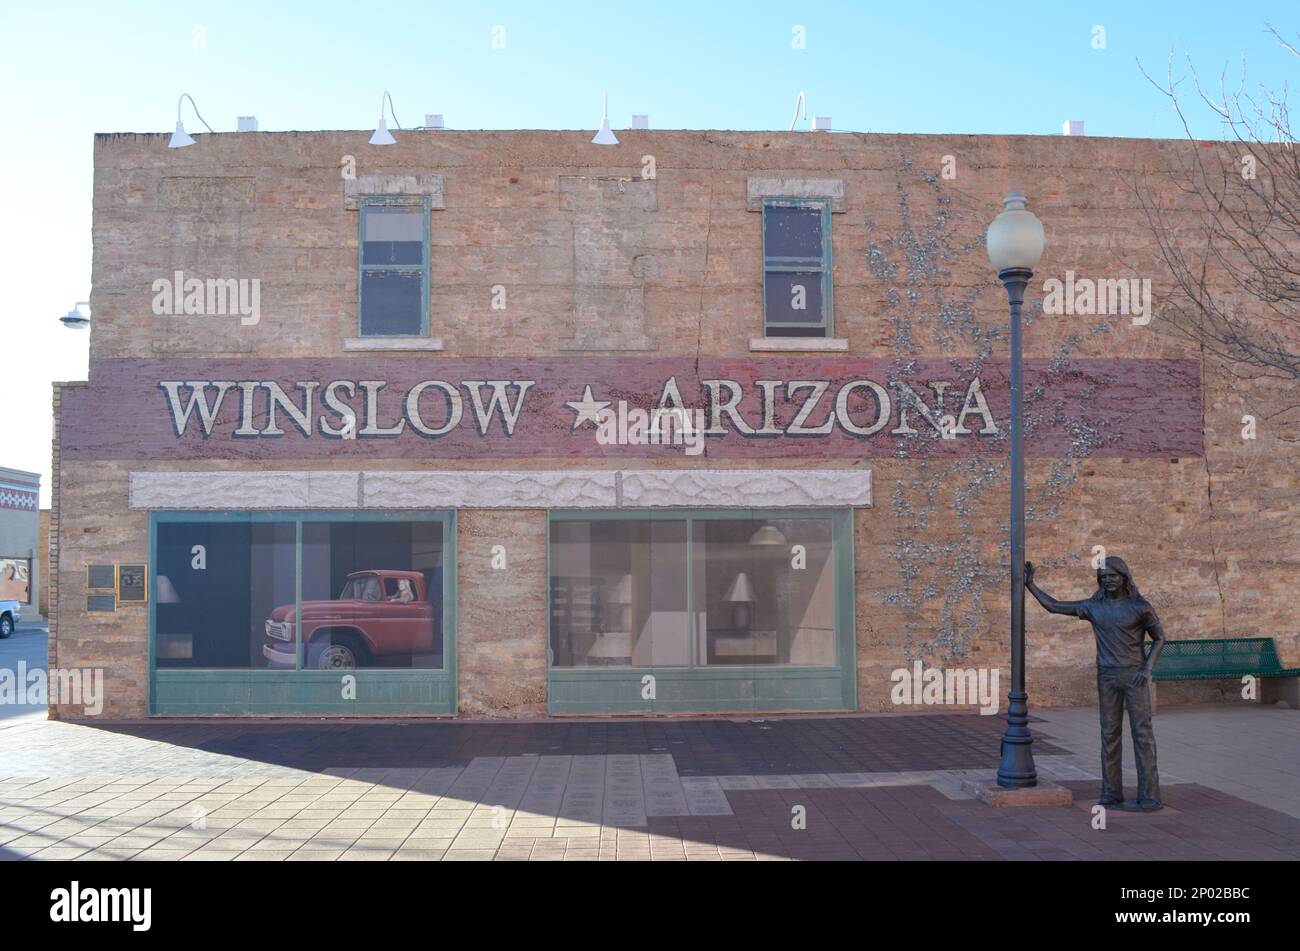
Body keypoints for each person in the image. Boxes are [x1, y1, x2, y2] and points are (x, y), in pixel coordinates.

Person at [1025, 556, 1166, 811]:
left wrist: (1147, 669)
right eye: (1103, 576)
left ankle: (1150, 796)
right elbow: (1055, 606)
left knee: (1142, 736)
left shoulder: (1140, 607)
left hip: (1134, 676)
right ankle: (1111, 793)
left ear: (1124, 576)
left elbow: (1159, 638)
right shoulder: (1094, 607)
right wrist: (1031, 586)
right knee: (1109, 735)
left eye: (1113, 575)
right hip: (1107, 677)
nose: (1108, 580)